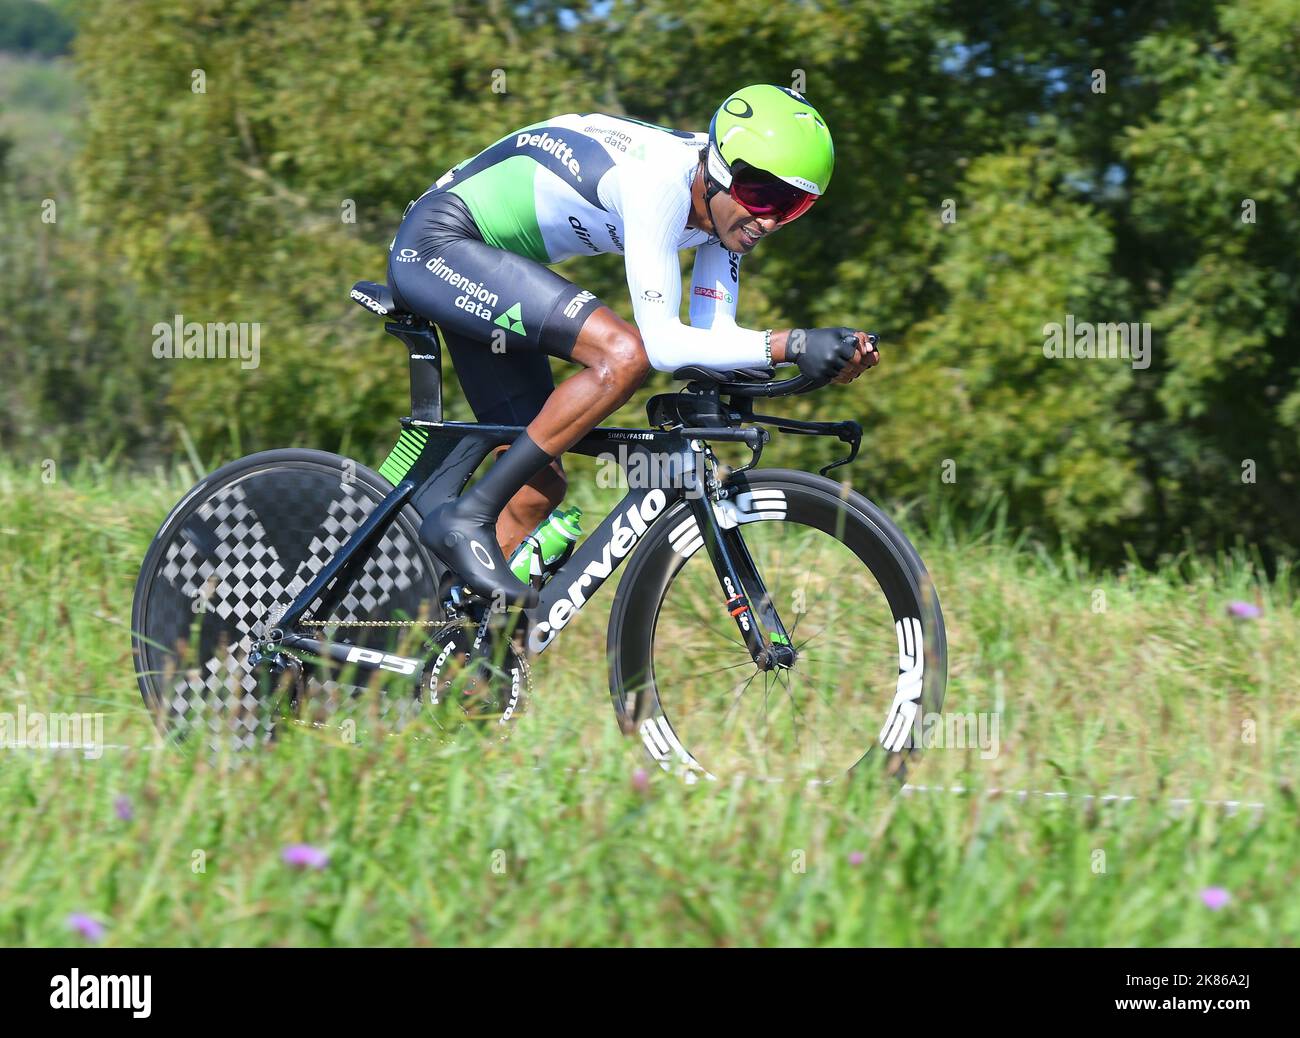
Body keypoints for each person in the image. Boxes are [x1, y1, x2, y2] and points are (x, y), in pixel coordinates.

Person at [386, 84, 878, 608]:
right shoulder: (659, 180)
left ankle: (442, 638)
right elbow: (662, 346)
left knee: (536, 487)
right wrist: (793, 342)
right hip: (440, 242)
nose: (771, 220)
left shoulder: (723, 213)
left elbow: (714, 339)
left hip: (494, 265)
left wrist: (818, 359)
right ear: (722, 169)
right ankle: (467, 517)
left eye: (794, 205)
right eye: (763, 196)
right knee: (623, 355)